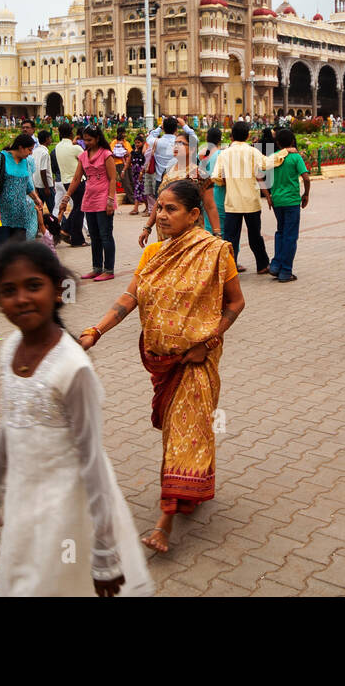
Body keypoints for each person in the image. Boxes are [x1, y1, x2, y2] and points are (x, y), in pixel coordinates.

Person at [0, 241, 154, 597]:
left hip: (68, 508)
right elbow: (9, 428)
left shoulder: (73, 367)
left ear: (58, 291)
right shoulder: (10, 348)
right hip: (26, 502)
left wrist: (105, 552)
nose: (22, 298)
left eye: (34, 286)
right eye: (9, 291)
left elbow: (93, 462)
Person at [79, 179, 245, 554]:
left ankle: (163, 523)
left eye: (171, 209)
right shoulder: (152, 253)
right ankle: (191, 487)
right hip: (163, 360)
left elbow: (235, 303)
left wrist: (207, 343)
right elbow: (130, 296)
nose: (161, 215)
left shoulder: (216, 251)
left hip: (197, 359)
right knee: (181, 432)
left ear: (193, 215)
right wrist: (96, 331)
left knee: (187, 429)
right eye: (159, 208)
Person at [213, 121, 285, 273]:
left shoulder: (224, 153)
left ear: (232, 136)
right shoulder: (252, 151)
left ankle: (229, 268)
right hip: (251, 201)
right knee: (255, 236)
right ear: (247, 136)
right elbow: (267, 164)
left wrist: (227, 181)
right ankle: (262, 264)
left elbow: (216, 177)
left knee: (231, 237)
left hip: (232, 202)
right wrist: (284, 153)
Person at [59, 125, 119, 281]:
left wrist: (110, 200)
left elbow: (113, 178)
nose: (86, 143)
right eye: (84, 140)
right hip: (90, 198)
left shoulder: (106, 155)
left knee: (105, 235)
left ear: (98, 138)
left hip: (104, 198)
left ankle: (109, 269)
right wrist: (67, 196)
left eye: (89, 140)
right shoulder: (83, 156)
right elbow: (76, 178)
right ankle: (97, 268)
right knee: (94, 235)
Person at [0, 134, 47, 247]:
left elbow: (27, 184)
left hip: (20, 215)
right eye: (29, 150)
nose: (31, 153)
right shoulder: (0, 158)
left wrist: (36, 198)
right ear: (21, 148)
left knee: (18, 251)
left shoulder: (25, 162)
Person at [265, 128, 310, 283]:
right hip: (291, 201)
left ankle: (276, 265)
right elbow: (306, 178)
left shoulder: (273, 157)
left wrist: (268, 196)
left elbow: (261, 175)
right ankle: (285, 271)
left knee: (281, 232)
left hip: (277, 200)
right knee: (290, 236)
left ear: (277, 143)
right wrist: (306, 194)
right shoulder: (295, 158)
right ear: (292, 141)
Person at [146, 117, 198, 213]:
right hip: (180, 178)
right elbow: (194, 139)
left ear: (164, 128)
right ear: (176, 129)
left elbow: (149, 137)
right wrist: (184, 125)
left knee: (161, 209)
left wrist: (159, 127)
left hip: (161, 180)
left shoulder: (158, 142)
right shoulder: (181, 141)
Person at [54, 124, 86, 247]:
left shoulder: (58, 147)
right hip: (78, 181)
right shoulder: (76, 148)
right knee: (79, 209)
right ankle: (71, 233)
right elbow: (86, 161)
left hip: (66, 181)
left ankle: (69, 231)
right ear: (71, 133)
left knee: (77, 208)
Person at [199, 125, 226, 236]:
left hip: (205, 196)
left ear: (207, 138)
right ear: (220, 139)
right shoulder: (221, 154)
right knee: (222, 230)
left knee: (208, 228)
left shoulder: (202, 156)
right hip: (220, 196)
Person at [31, 129, 55, 213]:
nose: (51, 140)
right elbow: (43, 171)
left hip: (37, 184)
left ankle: (39, 224)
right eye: (50, 138)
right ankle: (58, 224)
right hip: (46, 185)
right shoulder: (45, 153)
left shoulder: (35, 151)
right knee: (53, 208)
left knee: (39, 208)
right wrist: (47, 187)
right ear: (46, 139)